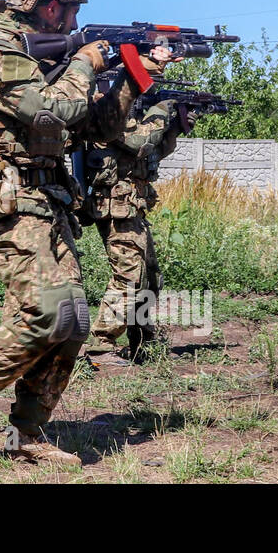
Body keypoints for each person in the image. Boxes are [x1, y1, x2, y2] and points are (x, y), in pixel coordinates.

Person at [0, 0, 170, 464]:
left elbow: (100, 130)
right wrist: (86, 64)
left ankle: (27, 431)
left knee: (73, 316)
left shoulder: (49, 61)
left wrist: (134, 78)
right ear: (48, 6)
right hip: (2, 192)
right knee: (46, 309)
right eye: (70, 12)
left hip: (46, 195)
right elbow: (50, 111)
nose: (71, 22)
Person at [82, 97, 193, 365]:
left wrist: (176, 126)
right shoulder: (108, 114)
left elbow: (152, 152)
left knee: (149, 277)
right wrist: (161, 110)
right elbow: (140, 143)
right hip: (115, 208)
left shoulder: (135, 121)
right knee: (129, 276)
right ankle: (101, 345)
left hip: (133, 207)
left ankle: (142, 342)